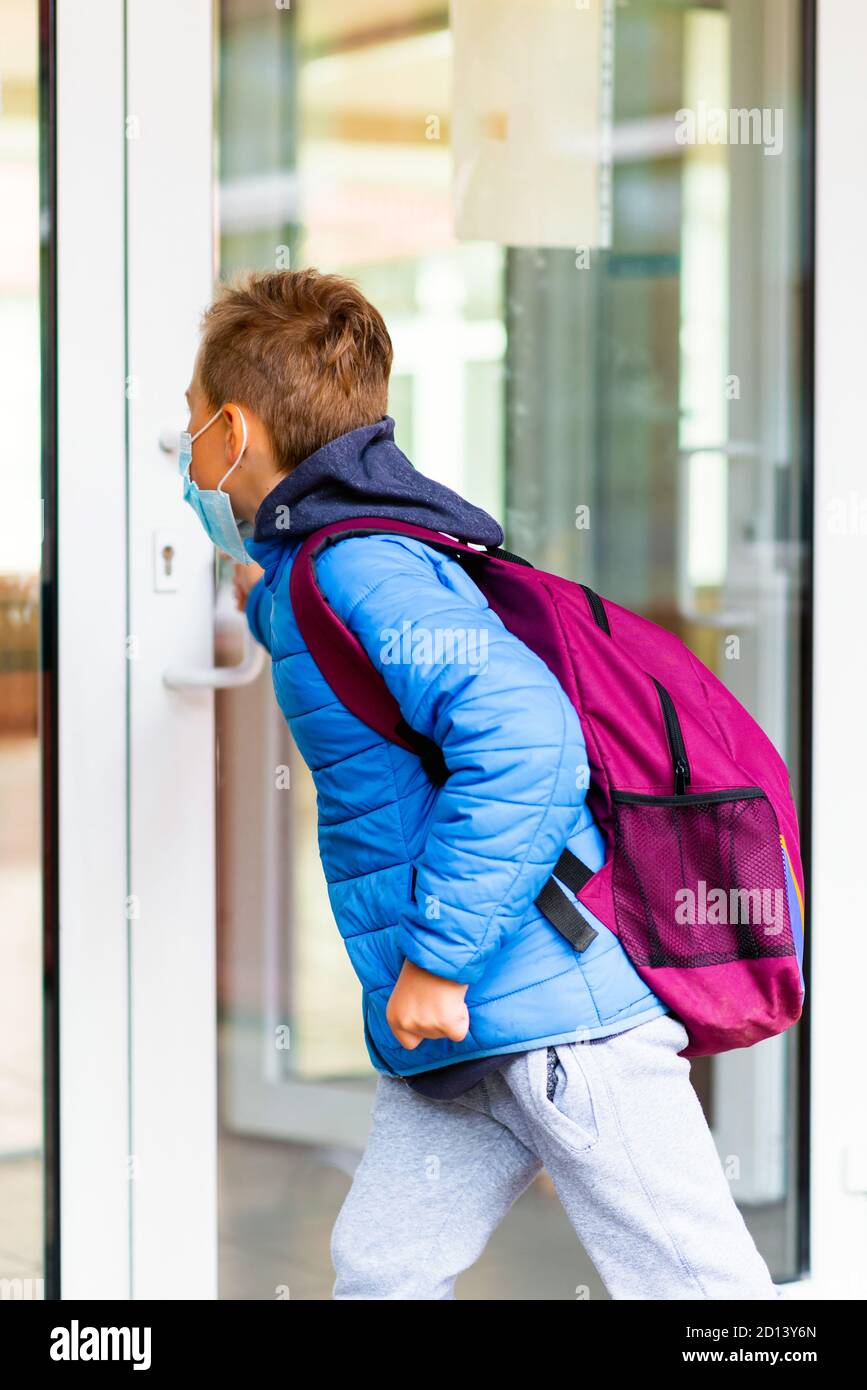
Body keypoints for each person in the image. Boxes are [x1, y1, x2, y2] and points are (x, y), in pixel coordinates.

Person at [181, 266, 786, 1301]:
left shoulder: (362, 566)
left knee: (702, 1290)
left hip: (552, 1014)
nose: (183, 454)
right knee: (382, 1270)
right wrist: (263, 585)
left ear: (235, 432)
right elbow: (330, 631)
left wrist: (437, 961)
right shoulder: (328, 562)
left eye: (187, 428)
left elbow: (525, 742)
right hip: (468, 1034)